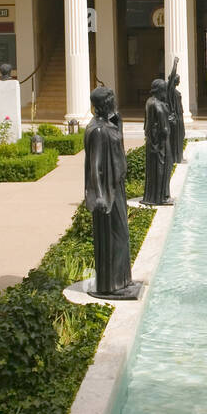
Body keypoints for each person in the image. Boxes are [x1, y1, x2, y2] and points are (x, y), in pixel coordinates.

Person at [83, 86, 135, 297]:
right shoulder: (97, 130)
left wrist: (118, 123)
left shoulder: (108, 125)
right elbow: (94, 166)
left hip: (116, 187)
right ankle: (111, 285)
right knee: (115, 236)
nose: (115, 102)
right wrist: (99, 196)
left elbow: (117, 147)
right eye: (112, 99)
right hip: (106, 192)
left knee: (121, 235)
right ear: (105, 104)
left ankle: (122, 280)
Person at [143, 78, 174, 205]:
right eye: (164, 90)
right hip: (160, 142)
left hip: (151, 140)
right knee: (165, 166)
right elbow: (164, 128)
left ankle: (152, 196)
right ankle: (162, 197)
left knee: (153, 168)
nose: (166, 93)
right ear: (160, 91)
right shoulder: (158, 105)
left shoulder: (149, 101)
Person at [167, 58, 186, 163]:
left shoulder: (175, 91)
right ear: (174, 80)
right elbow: (172, 75)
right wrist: (175, 63)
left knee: (181, 135)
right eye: (178, 79)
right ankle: (177, 158)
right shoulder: (170, 91)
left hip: (180, 116)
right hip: (176, 116)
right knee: (177, 137)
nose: (179, 80)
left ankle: (180, 157)